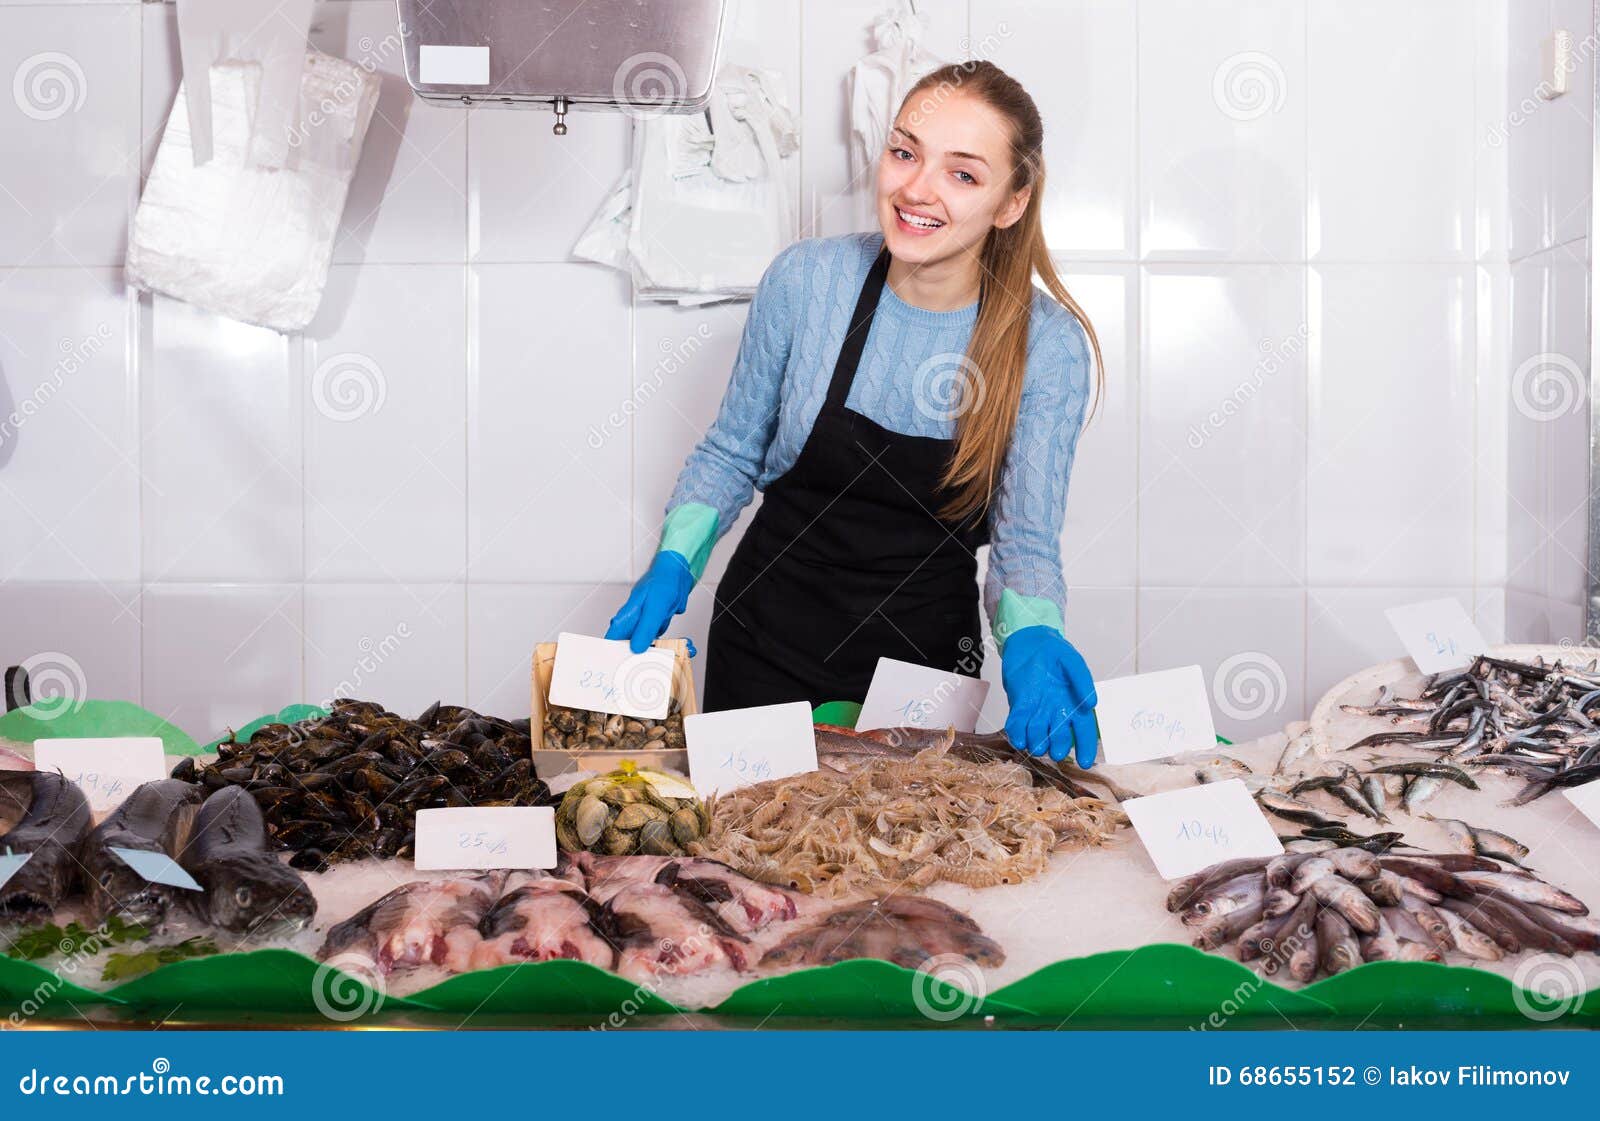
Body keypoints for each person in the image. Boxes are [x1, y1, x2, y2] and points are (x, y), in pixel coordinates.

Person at [605, 61, 1104, 766]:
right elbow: (732, 452)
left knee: (895, 837)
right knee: (745, 836)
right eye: (905, 152)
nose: (917, 189)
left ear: (1011, 202)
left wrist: (1032, 634)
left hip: (924, 667)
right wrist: (675, 560)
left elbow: (1024, 541)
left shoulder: (1046, 346)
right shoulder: (808, 281)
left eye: (963, 174)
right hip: (764, 639)